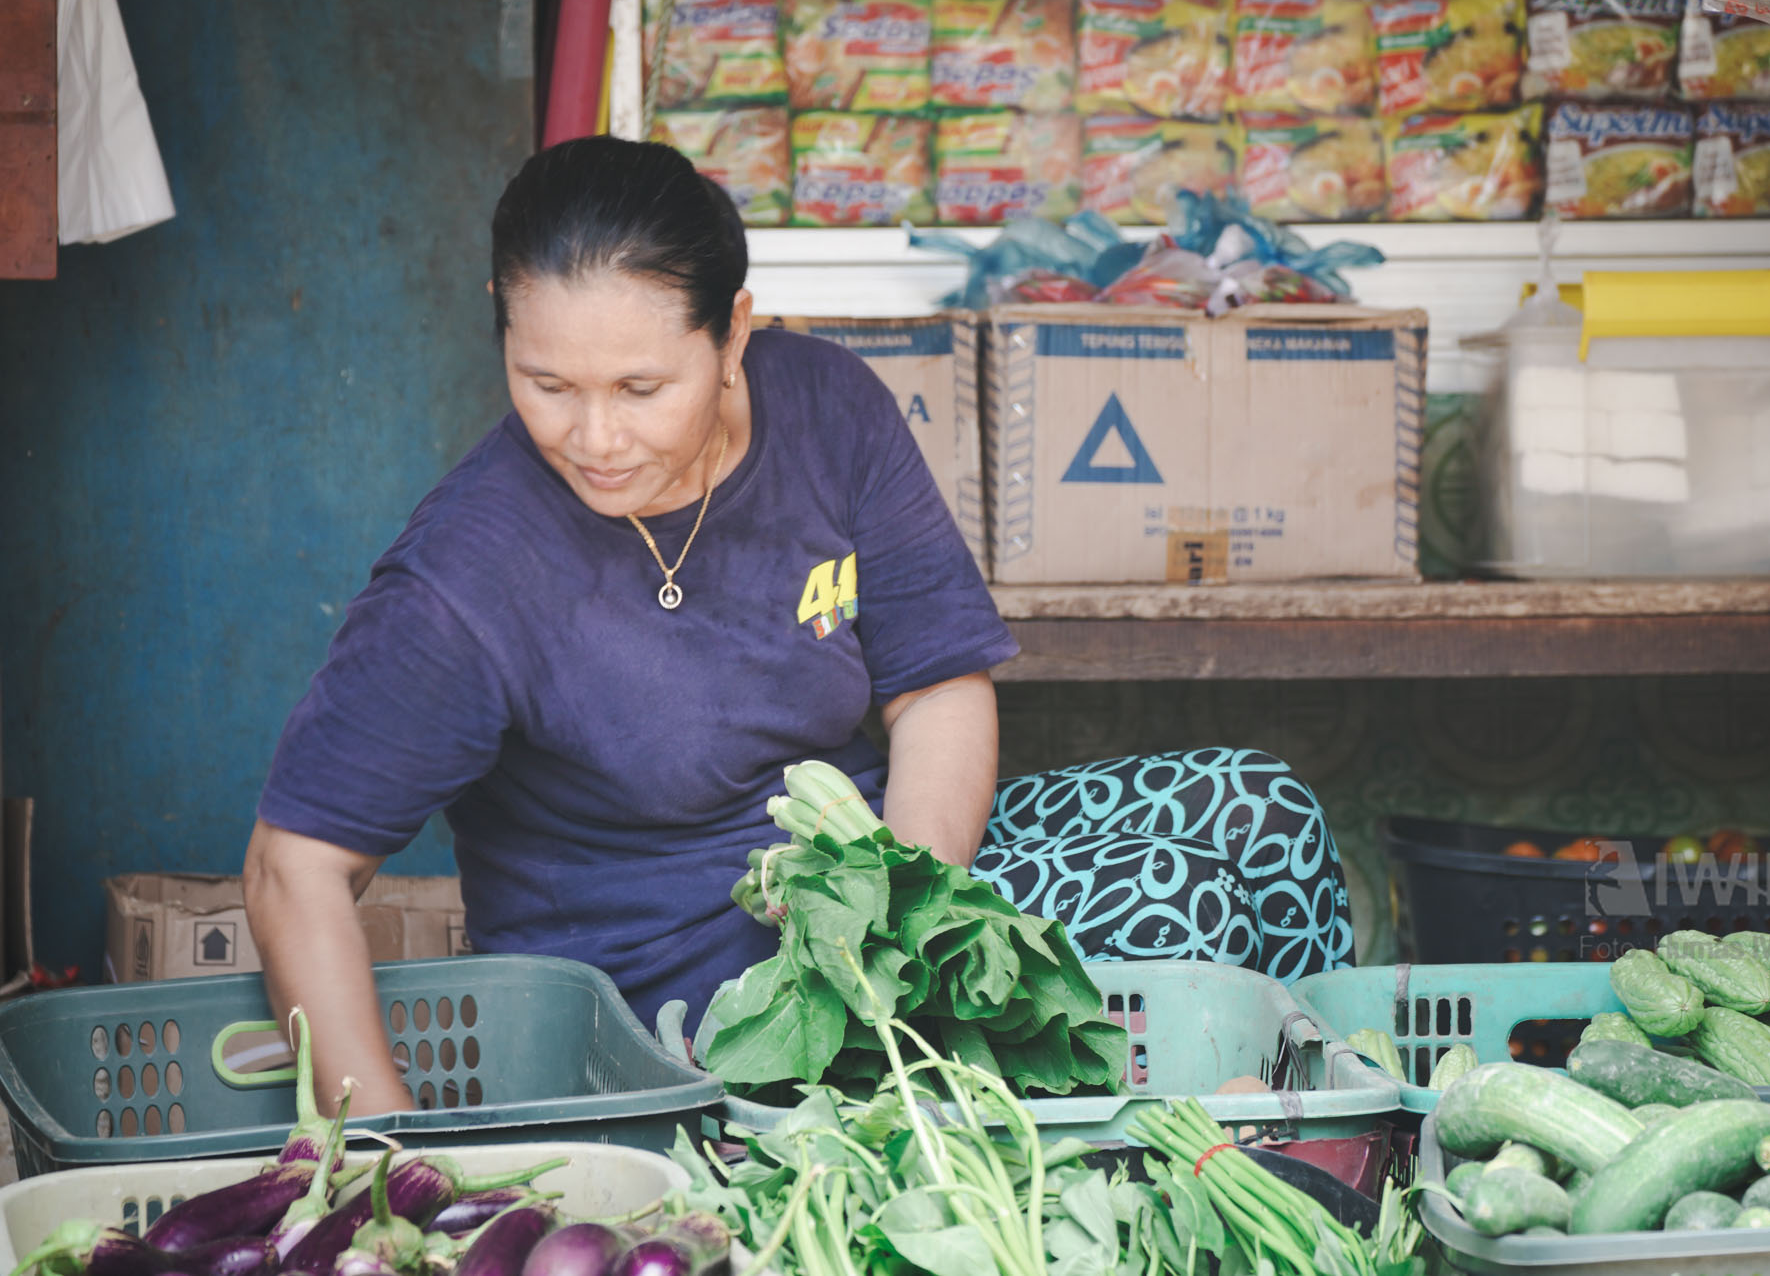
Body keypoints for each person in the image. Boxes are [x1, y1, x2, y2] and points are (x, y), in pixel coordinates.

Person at [246, 136, 1351, 1117]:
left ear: (733, 331)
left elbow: (936, 688)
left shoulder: (826, 409)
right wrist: (387, 1150)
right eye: (545, 383)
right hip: (691, 990)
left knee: (1262, 812)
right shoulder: (470, 571)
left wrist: (900, 918)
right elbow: (292, 868)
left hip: (871, 891)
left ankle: (1334, 1131)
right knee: (1175, 900)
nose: (592, 436)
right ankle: (1206, 1169)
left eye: (640, 387)